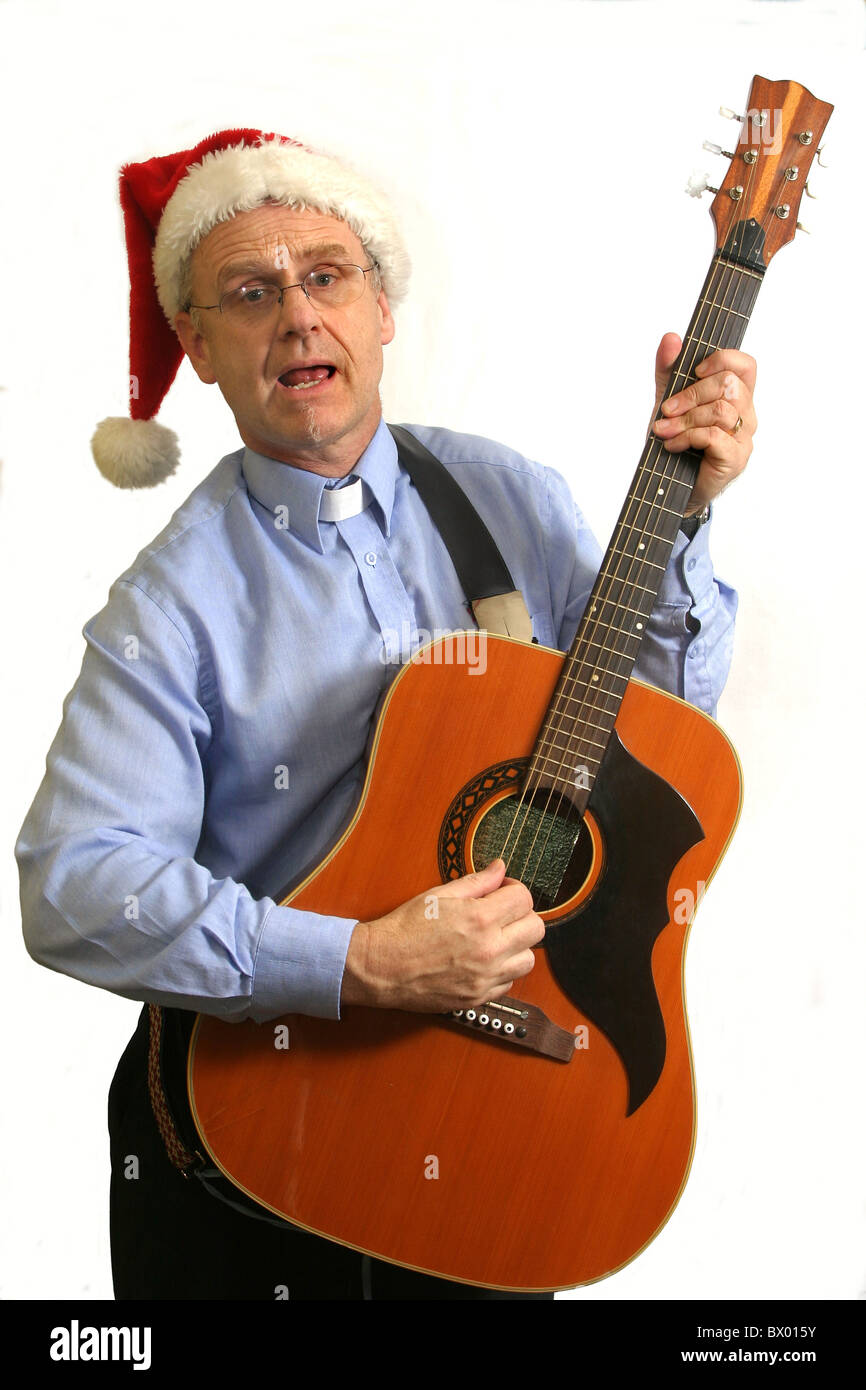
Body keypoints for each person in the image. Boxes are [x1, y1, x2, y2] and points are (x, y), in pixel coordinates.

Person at [15, 128, 755, 1301]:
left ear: (381, 308)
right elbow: (74, 887)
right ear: (200, 348)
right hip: (264, 1131)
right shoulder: (171, 603)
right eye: (250, 293)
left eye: (326, 274)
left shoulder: (506, 493)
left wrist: (687, 515)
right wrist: (359, 960)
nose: (299, 317)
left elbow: (651, 740)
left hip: (506, 1109)